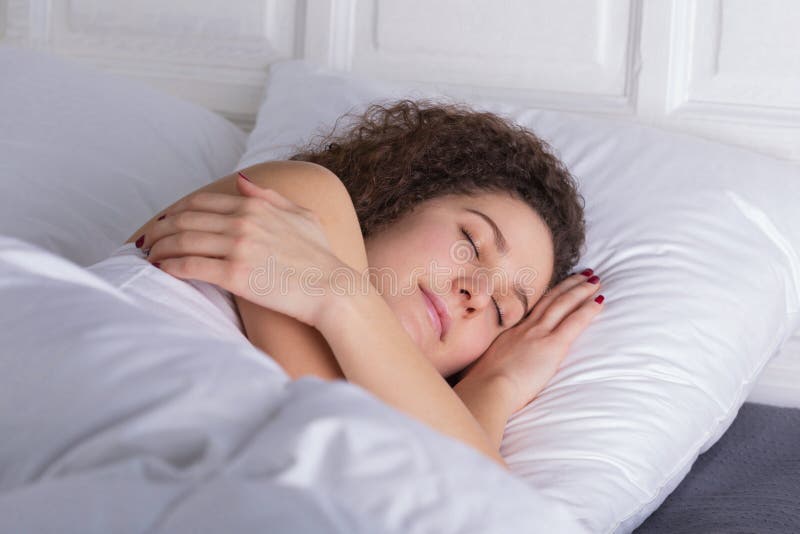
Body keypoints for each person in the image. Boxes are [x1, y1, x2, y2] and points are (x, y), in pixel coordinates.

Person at [123, 99, 604, 469]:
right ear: (398, 198)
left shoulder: (394, 426)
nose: (476, 294)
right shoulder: (299, 195)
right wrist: (340, 292)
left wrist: (496, 381)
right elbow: (365, 478)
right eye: (471, 242)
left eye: (503, 312)